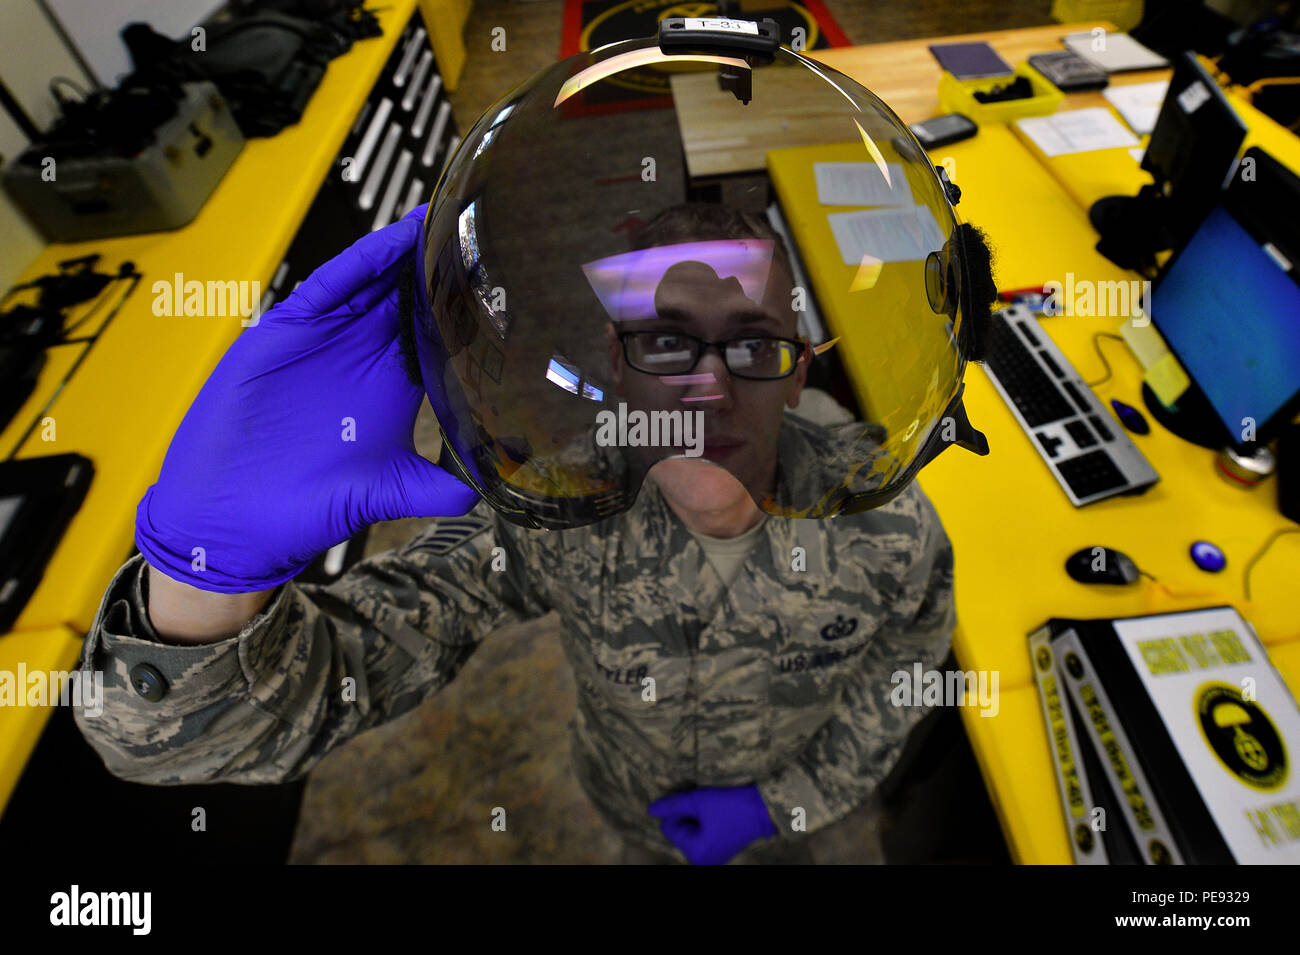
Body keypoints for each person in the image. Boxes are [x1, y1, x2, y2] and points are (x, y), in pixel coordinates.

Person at [73, 26, 997, 864]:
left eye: (754, 345)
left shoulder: (895, 530)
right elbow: (205, 735)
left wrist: (782, 807)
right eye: (665, 342)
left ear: (799, 371)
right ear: (617, 365)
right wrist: (201, 574)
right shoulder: (557, 514)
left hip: (801, 832)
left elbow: (902, 680)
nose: (708, 386)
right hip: (632, 811)